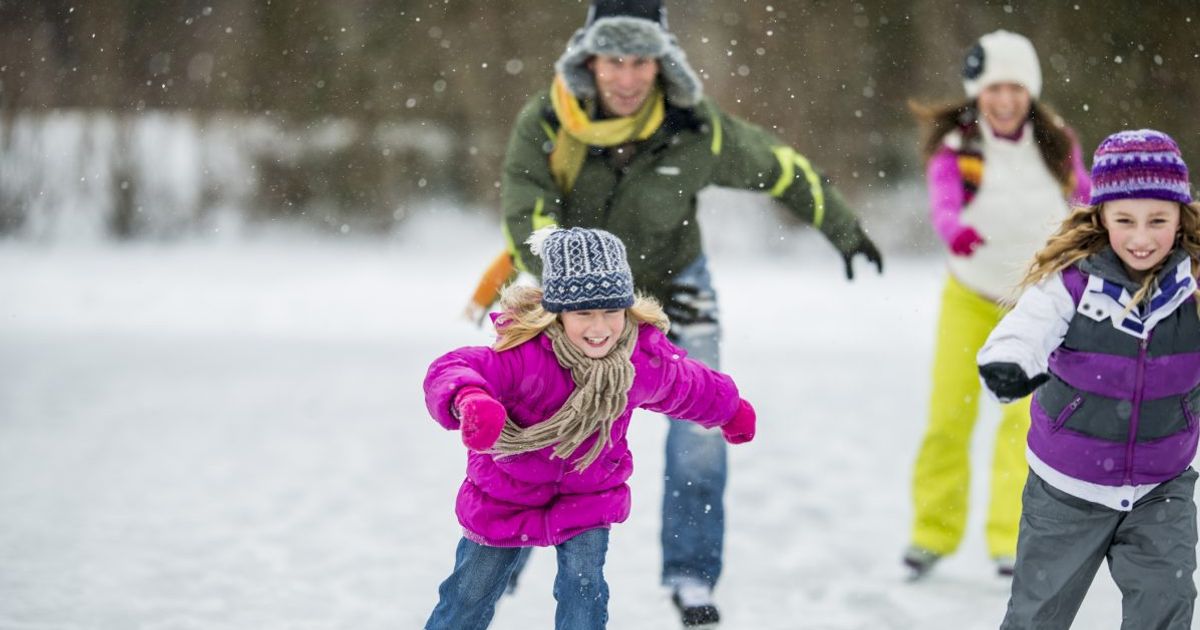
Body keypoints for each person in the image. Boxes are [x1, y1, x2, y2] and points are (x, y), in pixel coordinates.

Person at [497, 1, 881, 622]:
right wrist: (572, 295)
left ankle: (691, 574)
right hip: (569, 300)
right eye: (613, 60)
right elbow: (528, 216)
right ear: (588, 60)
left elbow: (779, 166)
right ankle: (506, 551)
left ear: (661, 62)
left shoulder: (695, 128)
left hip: (677, 291)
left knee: (700, 432)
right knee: (539, 423)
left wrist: (841, 225)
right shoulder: (546, 120)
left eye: (641, 61)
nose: (626, 77)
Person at [423, 226, 757, 630]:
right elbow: (455, 368)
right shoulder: (524, 354)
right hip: (504, 493)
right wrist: (470, 401)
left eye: (611, 311)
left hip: (588, 494)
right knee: (470, 593)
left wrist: (731, 410)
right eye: (584, 312)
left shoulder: (634, 361)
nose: (600, 328)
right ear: (557, 311)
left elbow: (687, 385)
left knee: (584, 588)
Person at [978, 129, 1199, 628]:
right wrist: (1010, 363)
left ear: (1180, 217)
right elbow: (1025, 328)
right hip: (1066, 489)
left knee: (1165, 606)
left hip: (1162, 487)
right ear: (1101, 216)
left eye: (1158, 221)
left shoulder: (1193, 287)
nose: (1142, 238)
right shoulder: (1071, 283)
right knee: (1039, 615)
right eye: (1125, 220)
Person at [904, 30, 1091, 579]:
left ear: (1029, 92)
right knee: (948, 416)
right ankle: (930, 534)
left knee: (1024, 423)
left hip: (1035, 303)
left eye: (1015, 88)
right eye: (994, 89)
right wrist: (954, 229)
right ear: (977, 93)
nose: (1005, 100)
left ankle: (1010, 539)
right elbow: (943, 202)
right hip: (970, 298)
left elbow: (1085, 198)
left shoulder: (1056, 140)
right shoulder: (960, 149)